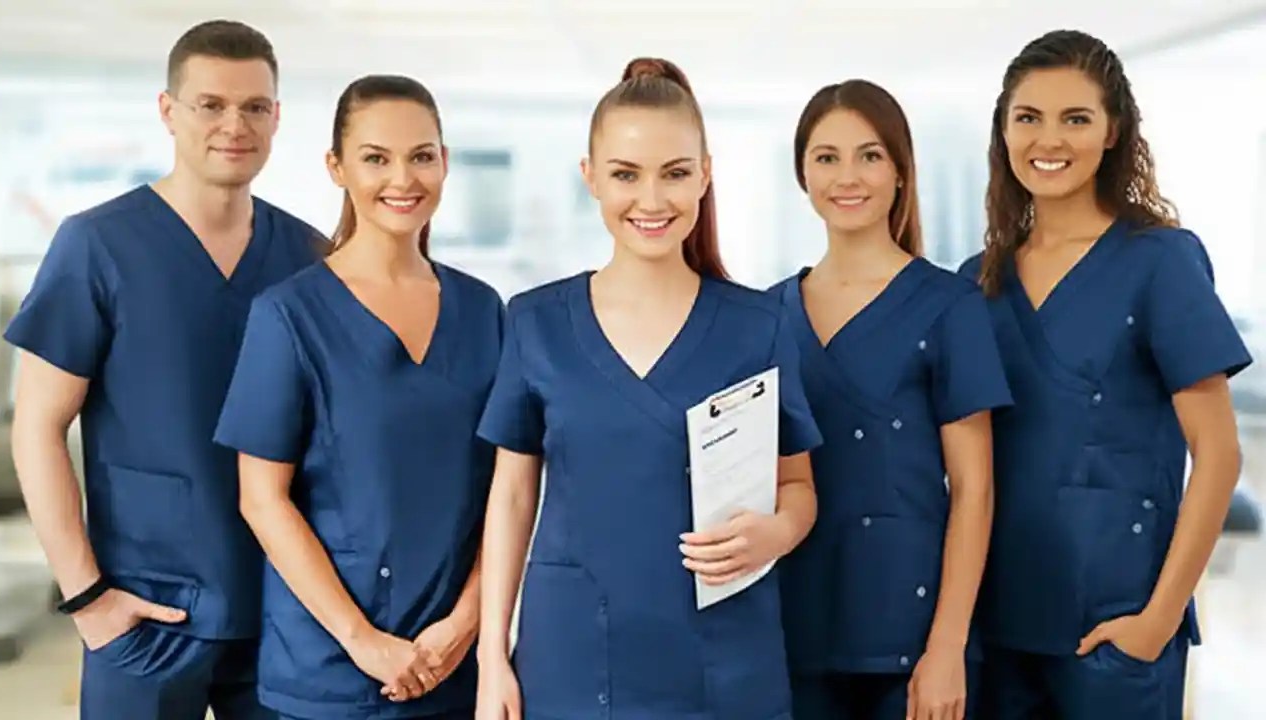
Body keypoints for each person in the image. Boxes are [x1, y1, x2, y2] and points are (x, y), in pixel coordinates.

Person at [472, 57, 822, 720]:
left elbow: (799, 487)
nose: (653, 201)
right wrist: (494, 657)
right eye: (626, 175)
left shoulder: (758, 328)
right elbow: (513, 495)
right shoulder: (536, 322)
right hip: (573, 654)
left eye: (676, 173)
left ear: (706, 175)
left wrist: (776, 534)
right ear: (591, 179)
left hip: (722, 660)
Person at [4, 19, 324, 720]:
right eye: (210, 104)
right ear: (168, 111)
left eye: (255, 107)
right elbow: (37, 428)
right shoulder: (98, 245)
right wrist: (87, 597)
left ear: (277, 118)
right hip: (144, 611)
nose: (234, 125)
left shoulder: (307, 254)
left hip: (287, 614)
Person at [958, 29, 1253, 720]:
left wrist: (1157, 621)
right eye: (1027, 117)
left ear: (1113, 131)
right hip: (998, 626)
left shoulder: (1161, 262)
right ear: (1003, 130)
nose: (1048, 138)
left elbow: (1219, 456)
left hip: (1116, 626)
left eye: (1076, 118)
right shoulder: (979, 282)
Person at [213, 74, 499, 720]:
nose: (404, 179)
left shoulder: (485, 313)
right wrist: (364, 643)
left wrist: (465, 623)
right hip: (332, 677)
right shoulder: (289, 316)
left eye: (422, 156)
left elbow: (508, 492)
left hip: (454, 664)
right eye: (376, 158)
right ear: (336, 168)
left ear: (445, 162)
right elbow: (261, 500)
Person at [773, 79, 1012, 720]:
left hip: (911, 641)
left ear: (901, 172)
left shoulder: (949, 305)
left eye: (869, 155)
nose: (847, 176)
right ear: (802, 173)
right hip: (796, 634)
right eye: (826, 157)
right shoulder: (767, 314)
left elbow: (974, 488)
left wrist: (948, 646)